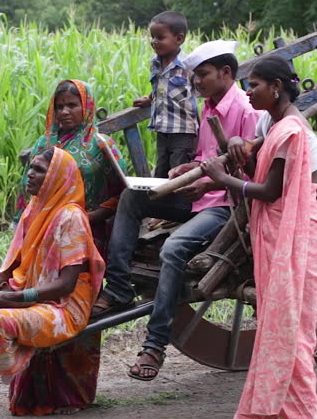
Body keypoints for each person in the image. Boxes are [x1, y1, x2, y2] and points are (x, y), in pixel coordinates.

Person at [93, 40, 260, 381]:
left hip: (228, 206)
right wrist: (187, 171)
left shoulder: (247, 111)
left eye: (203, 75)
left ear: (225, 73)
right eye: (194, 75)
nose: (196, 82)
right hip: (201, 197)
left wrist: (209, 183)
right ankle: (119, 286)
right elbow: (206, 159)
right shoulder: (210, 108)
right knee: (132, 198)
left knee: (173, 248)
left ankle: (155, 345)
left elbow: (252, 175)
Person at [200, 55, 317, 419]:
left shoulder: (292, 132)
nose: (247, 91)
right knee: (280, 329)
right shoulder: (270, 123)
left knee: (293, 335)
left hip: (297, 239)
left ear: (276, 87)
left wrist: (222, 179)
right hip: (277, 236)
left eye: (254, 84)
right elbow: (254, 155)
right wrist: (236, 148)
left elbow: (271, 191)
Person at [0, 147, 106, 415]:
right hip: (25, 290)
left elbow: (65, 286)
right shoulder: (34, 208)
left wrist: (16, 298)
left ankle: (10, 353)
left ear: (56, 176)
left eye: (39, 169)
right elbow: (12, 266)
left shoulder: (71, 216)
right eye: (30, 167)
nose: (29, 174)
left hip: (61, 306)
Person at [14, 80, 125, 254]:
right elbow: (25, 186)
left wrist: (85, 219)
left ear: (87, 107)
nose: (64, 112)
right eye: (59, 107)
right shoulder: (44, 143)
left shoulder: (101, 144)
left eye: (72, 105)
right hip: (42, 225)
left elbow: (121, 192)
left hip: (87, 226)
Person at [133, 11, 197, 178]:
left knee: (179, 170)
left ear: (179, 39)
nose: (154, 41)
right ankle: (162, 203)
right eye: (152, 37)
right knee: (162, 168)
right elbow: (160, 86)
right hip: (163, 128)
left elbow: (201, 90)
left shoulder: (188, 66)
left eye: (160, 37)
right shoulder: (155, 62)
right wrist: (149, 99)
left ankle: (181, 203)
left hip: (183, 130)